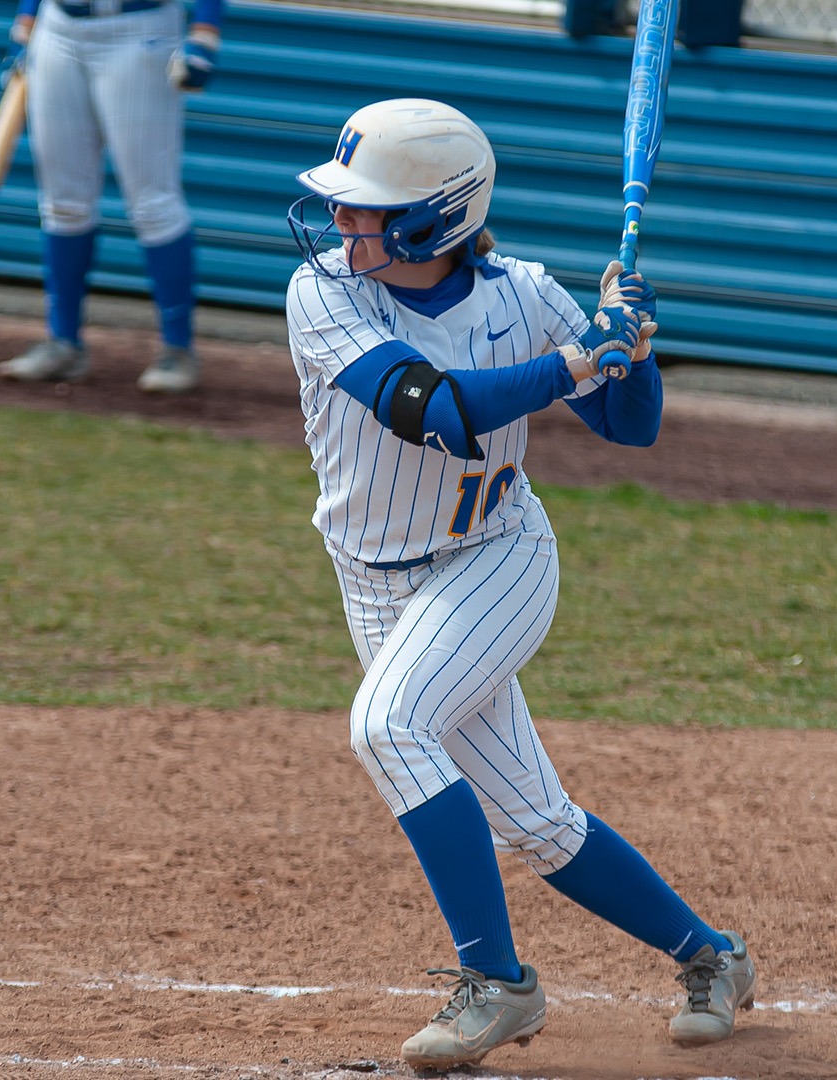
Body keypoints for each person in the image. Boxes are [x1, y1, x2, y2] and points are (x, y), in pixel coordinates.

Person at [283, 98, 757, 1070]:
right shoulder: (322, 295)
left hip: (496, 561)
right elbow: (428, 410)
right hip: (375, 583)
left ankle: (498, 987)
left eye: (363, 209)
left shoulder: (526, 298)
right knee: (536, 822)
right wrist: (579, 359)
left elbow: (629, 426)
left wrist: (634, 345)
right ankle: (712, 956)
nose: (341, 224)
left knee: (389, 727)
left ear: (434, 219)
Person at [0, 0, 223, 393]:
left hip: (139, 26)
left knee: (153, 203)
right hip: (59, 25)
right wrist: (25, 23)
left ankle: (178, 350)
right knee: (62, 203)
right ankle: (62, 342)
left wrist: (205, 31)